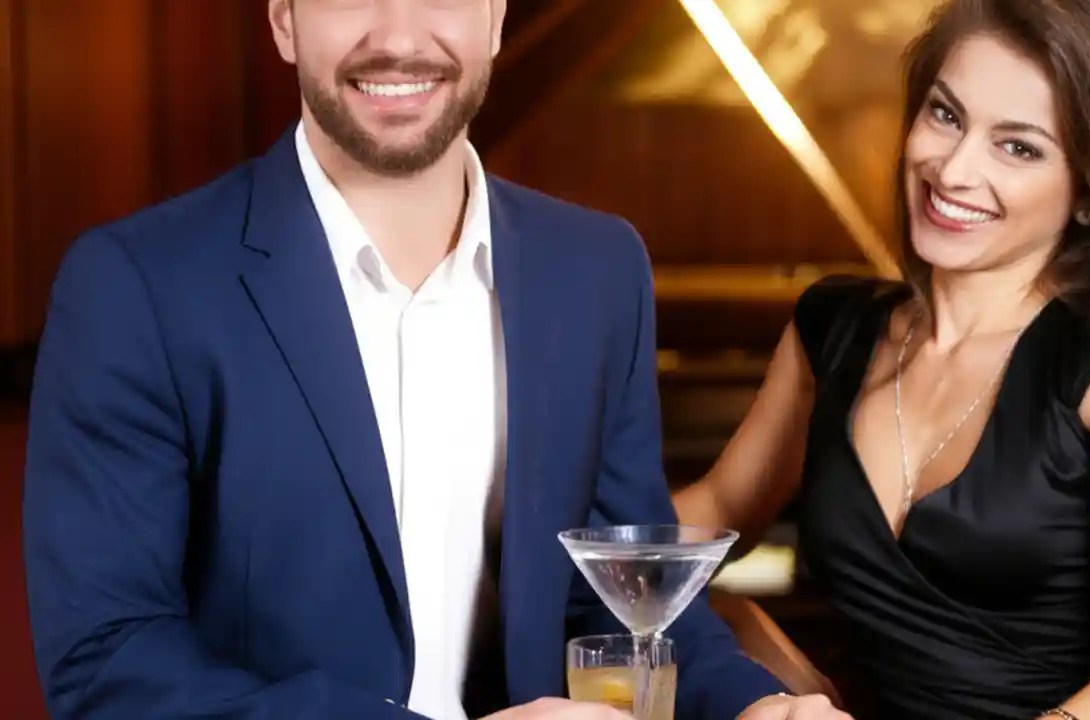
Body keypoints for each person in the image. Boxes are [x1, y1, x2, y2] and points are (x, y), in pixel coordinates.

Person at [21, 2, 852, 719]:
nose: (398, 36)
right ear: (284, 21)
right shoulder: (135, 283)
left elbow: (617, 594)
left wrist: (753, 700)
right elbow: (107, 663)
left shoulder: (597, 269)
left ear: (494, 20)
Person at [675, 0, 1090, 718]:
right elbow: (716, 512)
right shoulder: (830, 332)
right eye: (945, 114)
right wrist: (531, 554)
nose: (955, 169)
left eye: (1018, 147)